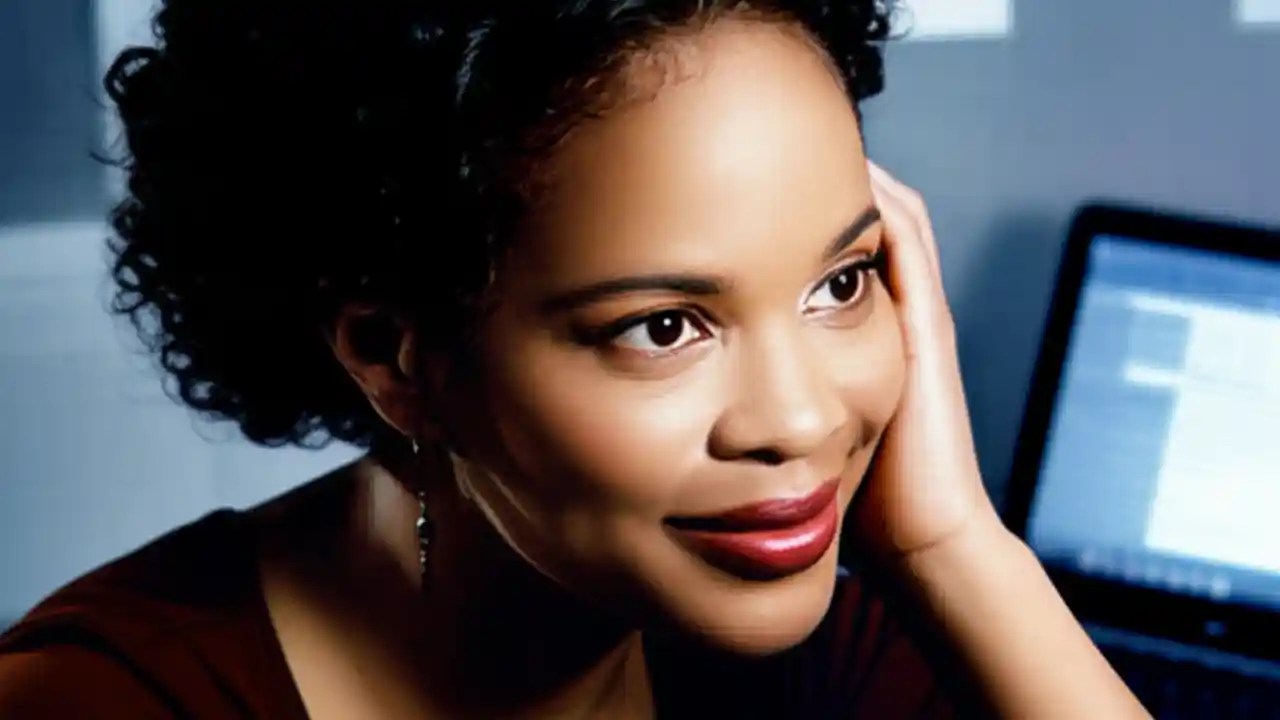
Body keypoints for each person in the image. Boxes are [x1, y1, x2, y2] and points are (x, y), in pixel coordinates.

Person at [0, 1, 1149, 717]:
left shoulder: (822, 650)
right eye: (663, 326)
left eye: (838, 283)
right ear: (392, 355)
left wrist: (957, 550)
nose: (796, 421)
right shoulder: (100, 700)